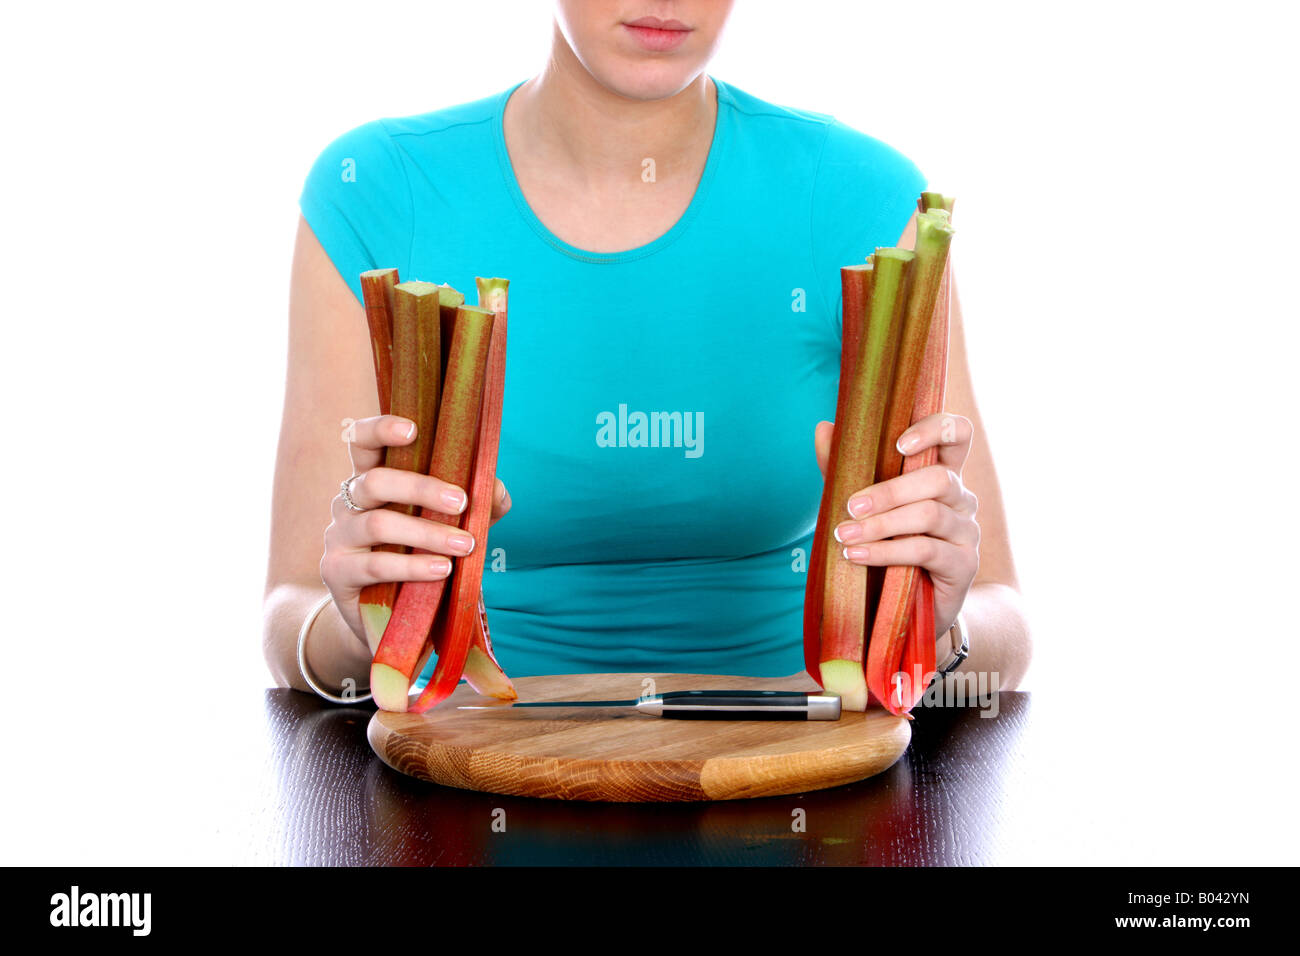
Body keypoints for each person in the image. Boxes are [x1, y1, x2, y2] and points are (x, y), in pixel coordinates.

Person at [262, 0, 1032, 701]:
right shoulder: (376, 191)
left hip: (799, 759)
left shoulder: (866, 196)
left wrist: (938, 630)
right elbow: (288, 617)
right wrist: (353, 624)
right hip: (463, 757)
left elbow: (1003, 620)